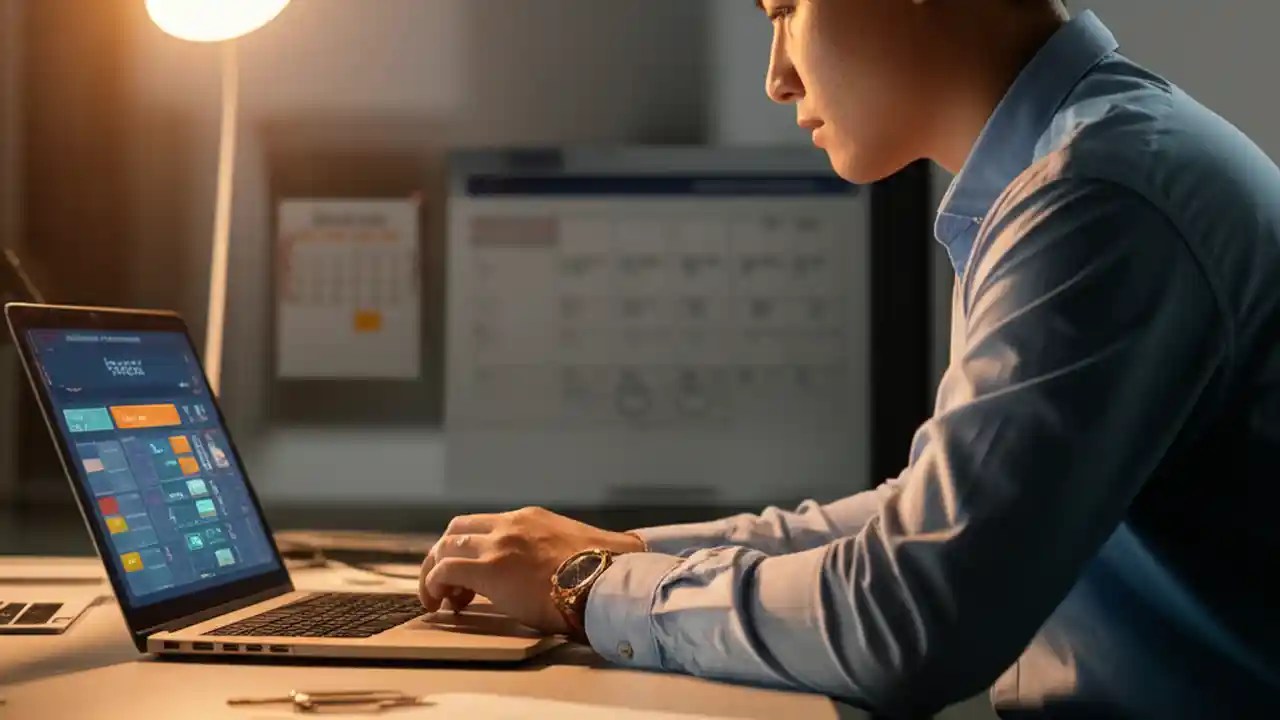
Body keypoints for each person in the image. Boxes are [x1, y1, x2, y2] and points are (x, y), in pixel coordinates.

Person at [419, 2, 1280, 717]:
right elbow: (929, 519)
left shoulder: (1095, 195)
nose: (777, 75)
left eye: (785, 9)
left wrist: (589, 588)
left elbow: (911, 617)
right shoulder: (1085, 163)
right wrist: (623, 549)